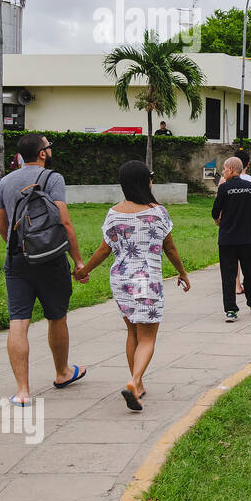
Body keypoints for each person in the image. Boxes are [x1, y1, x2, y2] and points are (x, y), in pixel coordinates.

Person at [74, 161, 191, 411]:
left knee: (132, 333)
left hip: (121, 280)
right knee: (147, 338)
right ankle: (134, 381)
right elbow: (169, 247)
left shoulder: (113, 213)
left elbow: (104, 249)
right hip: (146, 280)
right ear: (145, 182)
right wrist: (182, 272)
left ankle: (137, 386)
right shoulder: (157, 212)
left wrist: (85, 270)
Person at [0, 133, 88, 406]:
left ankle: (23, 391)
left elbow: (1, 224)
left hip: (17, 260)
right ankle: (62, 373)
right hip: (51, 258)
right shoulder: (52, 178)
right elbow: (65, 223)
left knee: (18, 321)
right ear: (43, 153)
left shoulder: (6, 181)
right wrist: (78, 262)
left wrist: (21, 247)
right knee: (56, 316)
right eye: (48, 147)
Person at [211, 156, 251, 322]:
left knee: (228, 274)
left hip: (227, 239)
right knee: (249, 271)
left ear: (231, 169)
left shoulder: (223, 188)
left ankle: (231, 310)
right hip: (247, 238)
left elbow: (215, 212)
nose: (222, 172)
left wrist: (218, 221)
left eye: (223, 169)